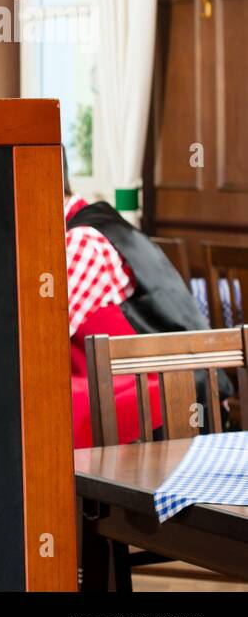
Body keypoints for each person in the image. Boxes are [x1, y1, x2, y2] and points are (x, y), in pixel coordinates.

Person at [63, 150, 212, 448]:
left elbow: (40, 334)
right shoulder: (98, 222)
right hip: (146, 383)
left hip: (157, 398)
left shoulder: (82, 240)